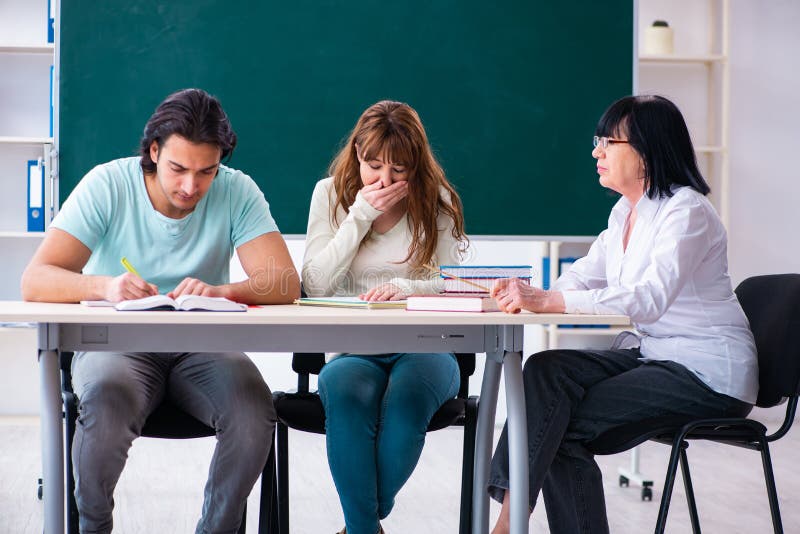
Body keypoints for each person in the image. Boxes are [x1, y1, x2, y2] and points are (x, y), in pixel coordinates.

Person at [21, 88, 301, 534]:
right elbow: (35, 280)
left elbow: (286, 282)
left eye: (206, 171)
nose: (191, 187)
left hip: (204, 348)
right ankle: (93, 528)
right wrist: (106, 286)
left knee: (253, 414)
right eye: (178, 169)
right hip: (119, 348)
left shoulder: (236, 190)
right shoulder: (108, 184)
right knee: (104, 407)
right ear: (154, 151)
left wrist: (222, 291)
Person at [487, 95, 758, 534]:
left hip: (708, 372)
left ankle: (507, 522)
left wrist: (547, 302)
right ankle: (510, 516)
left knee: (558, 426)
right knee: (545, 371)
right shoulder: (624, 213)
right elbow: (581, 276)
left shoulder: (687, 212)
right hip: (657, 354)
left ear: (647, 151)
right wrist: (530, 294)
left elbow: (646, 299)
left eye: (607, 142)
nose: (597, 152)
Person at [302, 100, 468, 534]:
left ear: (416, 164)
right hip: (354, 349)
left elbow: (452, 284)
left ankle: (360, 525)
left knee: (406, 404)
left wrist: (408, 287)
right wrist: (360, 216)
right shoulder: (330, 195)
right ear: (357, 154)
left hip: (426, 348)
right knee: (342, 391)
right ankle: (365, 528)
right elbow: (316, 283)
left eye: (399, 170)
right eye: (373, 166)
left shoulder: (440, 200)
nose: (385, 180)